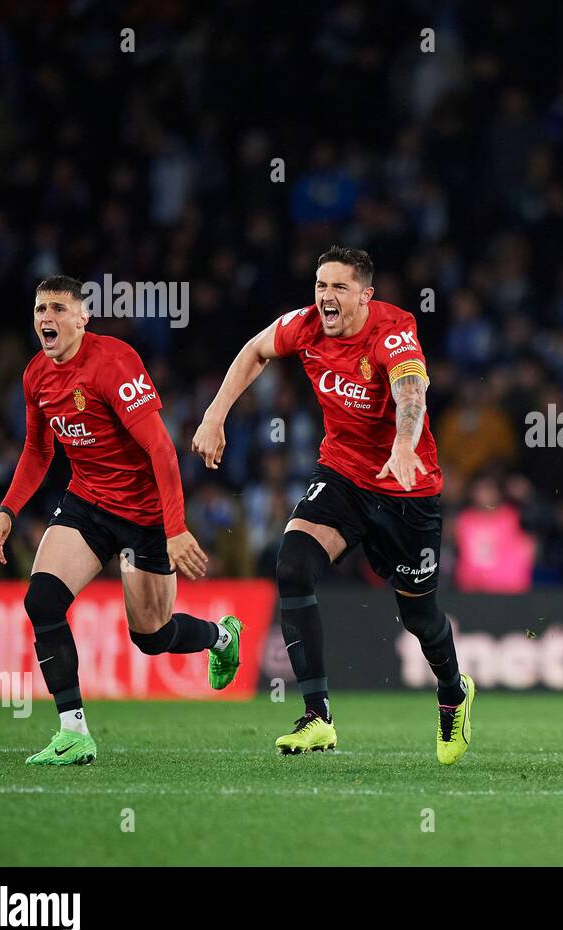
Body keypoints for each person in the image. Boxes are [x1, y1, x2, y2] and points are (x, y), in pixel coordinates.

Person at [191, 246, 474, 764]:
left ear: (365, 295)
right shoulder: (304, 327)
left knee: (420, 617)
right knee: (293, 564)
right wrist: (215, 415)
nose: (326, 297)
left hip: (407, 486)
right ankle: (317, 717)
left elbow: (412, 392)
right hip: (343, 475)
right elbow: (254, 350)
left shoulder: (394, 332)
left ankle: (453, 692)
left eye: (339, 288)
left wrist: (405, 444)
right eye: (321, 286)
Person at [0, 275, 241, 766]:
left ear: (83, 318)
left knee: (151, 636)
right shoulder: (35, 375)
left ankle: (221, 637)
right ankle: (73, 730)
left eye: (59, 308)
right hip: (87, 504)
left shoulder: (114, 362)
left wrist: (174, 527)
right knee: (41, 600)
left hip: (145, 515)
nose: (46, 318)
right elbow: (39, 450)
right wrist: (7, 509)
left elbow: (160, 447)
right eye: (40, 309)